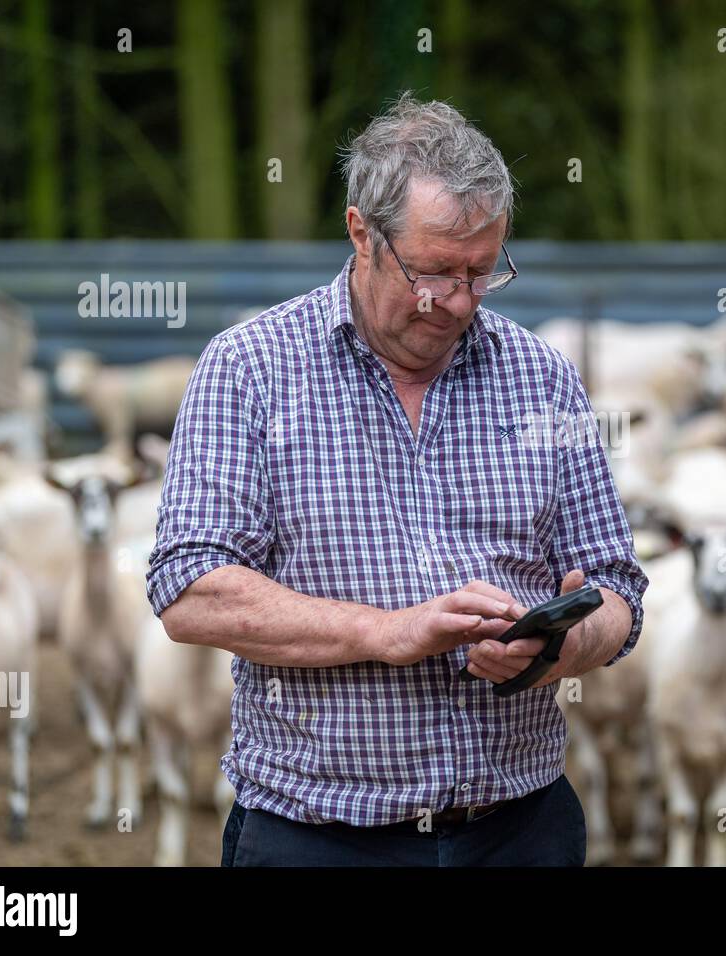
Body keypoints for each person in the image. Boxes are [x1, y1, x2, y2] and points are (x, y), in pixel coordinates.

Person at [146, 92, 648, 866]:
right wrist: (384, 632)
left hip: (519, 830)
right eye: (434, 271)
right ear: (361, 234)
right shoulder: (248, 370)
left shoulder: (543, 378)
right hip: (317, 837)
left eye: (483, 272)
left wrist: (562, 644)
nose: (456, 301)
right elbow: (188, 589)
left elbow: (617, 585)